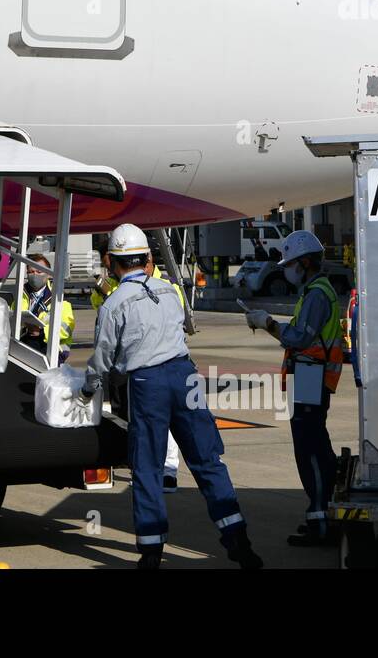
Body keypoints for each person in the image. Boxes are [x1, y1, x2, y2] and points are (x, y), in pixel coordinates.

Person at [74, 223, 262, 570]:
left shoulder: (114, 304)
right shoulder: (170, 291)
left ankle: (151, 551)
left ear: (113, 264)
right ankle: (238, 541)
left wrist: (88, 389)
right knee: (208, 460)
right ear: (147, 258)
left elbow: (103, 357)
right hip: (184, 375)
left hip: (148, 382)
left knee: (147, 467)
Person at [243, 230, 343, 547]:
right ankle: (322, 516)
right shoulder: (315, 290)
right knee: (315, 444)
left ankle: (321, 523)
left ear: (305, 262)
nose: (287, 269)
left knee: (309, 447)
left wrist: (268, 324)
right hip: (310, 376)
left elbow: (299, 338)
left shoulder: (316, 294)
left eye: (291, 264)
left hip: (312, 376)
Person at [92, 243, 183, 493]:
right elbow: (102, 312)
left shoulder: (167, 287)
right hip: (128, 365)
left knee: (164, 422)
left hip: (157, 364)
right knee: (132, 418)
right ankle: (142, 467)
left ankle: (168, 470)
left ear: (149, 261)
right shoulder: (117, 287)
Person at [13, 253, 75, 363]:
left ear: (48, 274)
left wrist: (41, 331)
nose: (35, 275)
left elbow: (66, 329)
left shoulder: (59, 299)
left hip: (49, 350)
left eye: (39, 271)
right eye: (31, 272)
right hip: (23, 345)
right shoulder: (20, 296)